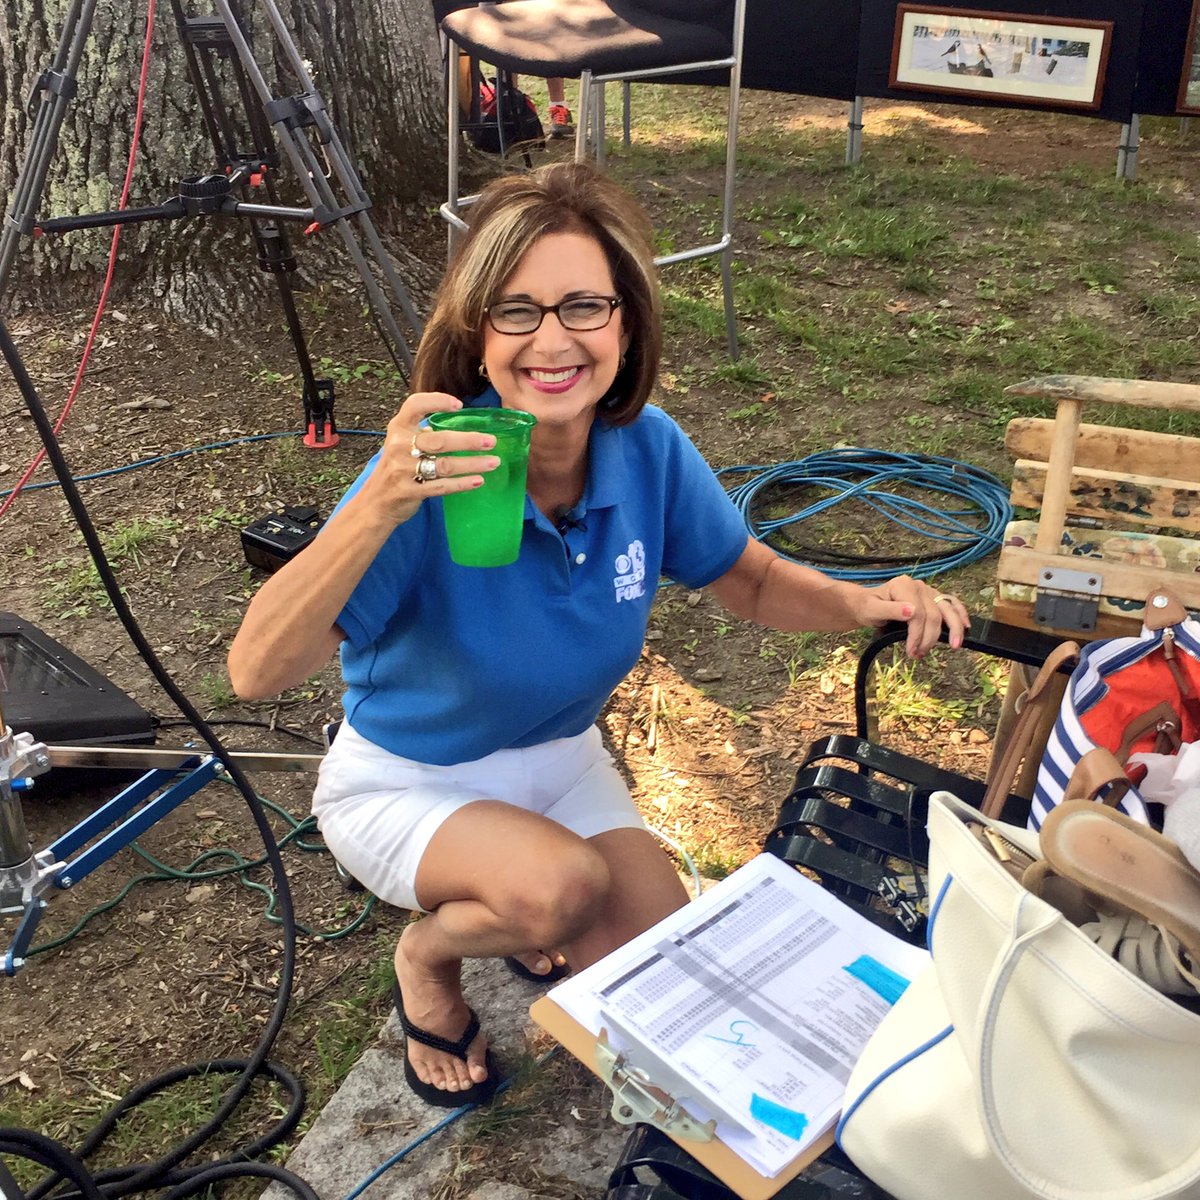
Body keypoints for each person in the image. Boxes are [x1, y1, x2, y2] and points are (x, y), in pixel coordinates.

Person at [226, 162, 971, 1109]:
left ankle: (527, 891)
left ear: (625, 324)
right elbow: (255, 671)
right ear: (477, 334)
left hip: (561, 761)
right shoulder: (435, 471)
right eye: (517, 311)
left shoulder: (646, 446)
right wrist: (374, 502)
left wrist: (863, 600)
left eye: (584, 305)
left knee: (664, 984)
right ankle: (428, 955)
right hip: (408, 778)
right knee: (558, 890)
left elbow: (749, 577)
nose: (553, 340)